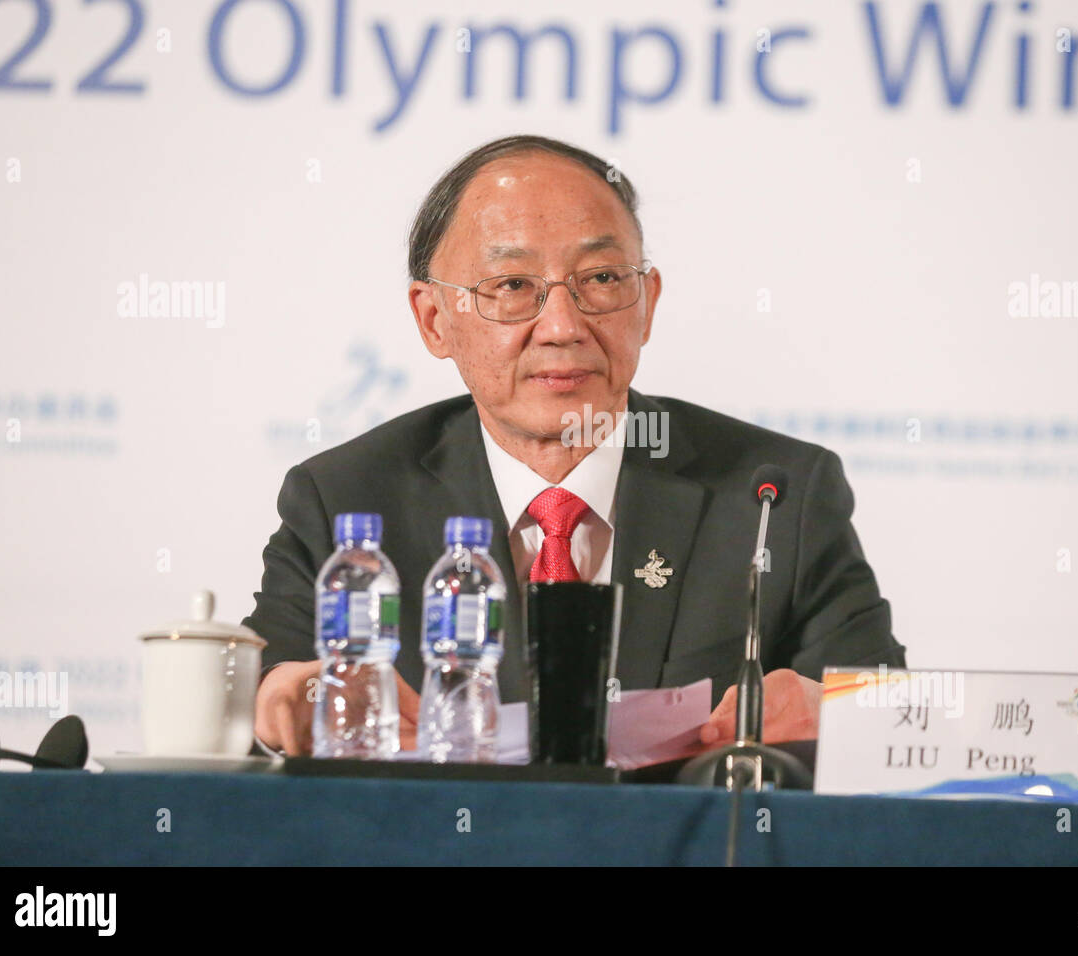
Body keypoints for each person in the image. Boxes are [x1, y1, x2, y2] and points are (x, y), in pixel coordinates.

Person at [245, 134, 906, 757]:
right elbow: (270, 686)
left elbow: (894, 722)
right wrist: (294, 699)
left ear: (646, 302)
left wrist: (837, 713)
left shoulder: (775, 495)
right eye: (511, 287)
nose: (562, 326)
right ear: (433, 319)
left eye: (602, 280)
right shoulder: (347, 499)